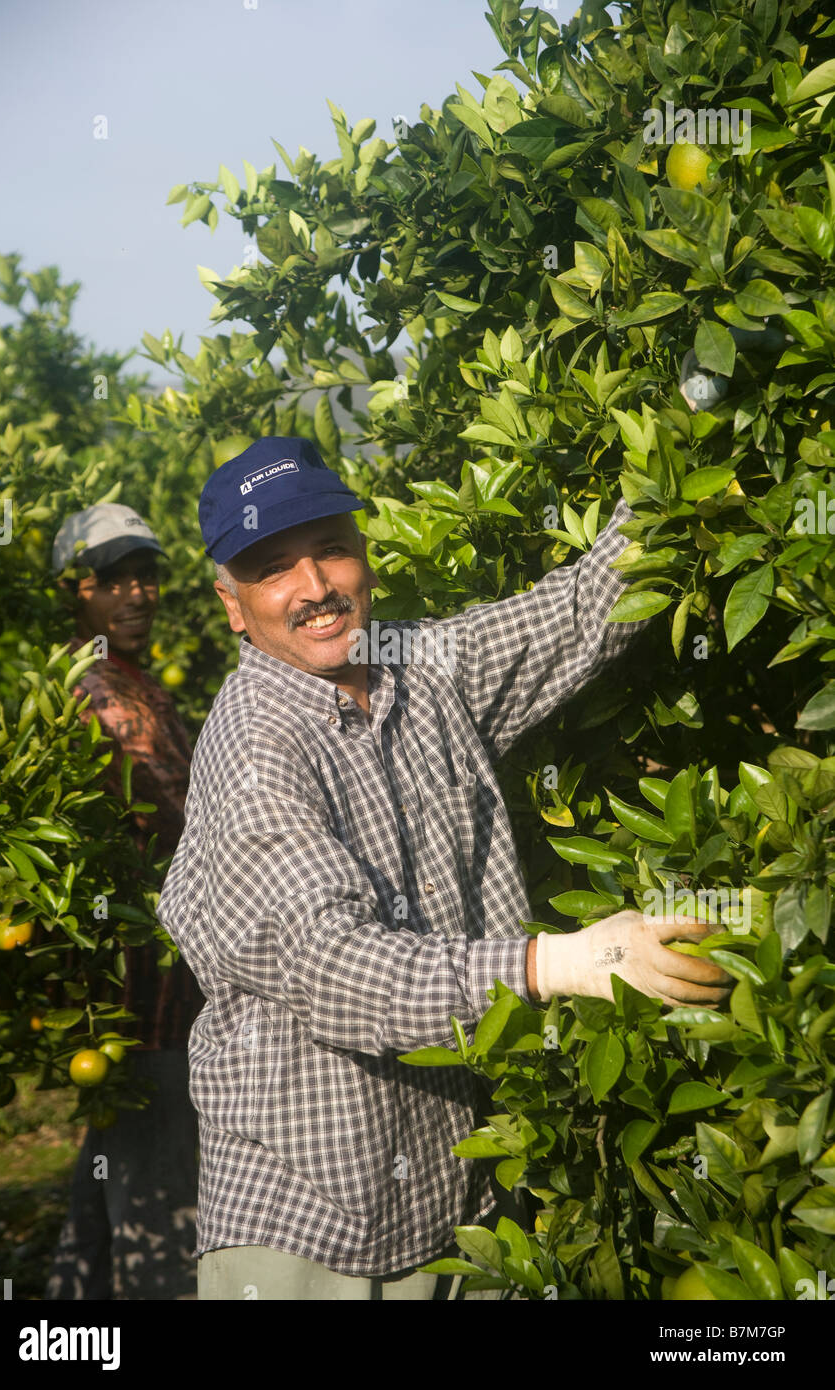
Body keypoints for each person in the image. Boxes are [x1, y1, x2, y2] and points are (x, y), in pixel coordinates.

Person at [157, 437, 731, 1301]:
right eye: (274, 568)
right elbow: (332, 966)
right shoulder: (254, 746)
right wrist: (562, 962)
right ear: (233, 605)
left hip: (463, 1205)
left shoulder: (417, 668)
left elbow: (578, 612)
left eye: (331, 549)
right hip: (314, 1233)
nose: (314, 588)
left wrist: (682, 442)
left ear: (364, 554)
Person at [44, 503, 204, 1301]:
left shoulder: (133, 683)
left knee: (119, 1160)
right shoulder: (100, 694)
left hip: (139, 1002)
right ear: (77, 591)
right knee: (161, 1185)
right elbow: (186, 816)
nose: (137, 594)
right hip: (148, 995)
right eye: (114, 581)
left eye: (144, 577)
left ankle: (72, 1312)